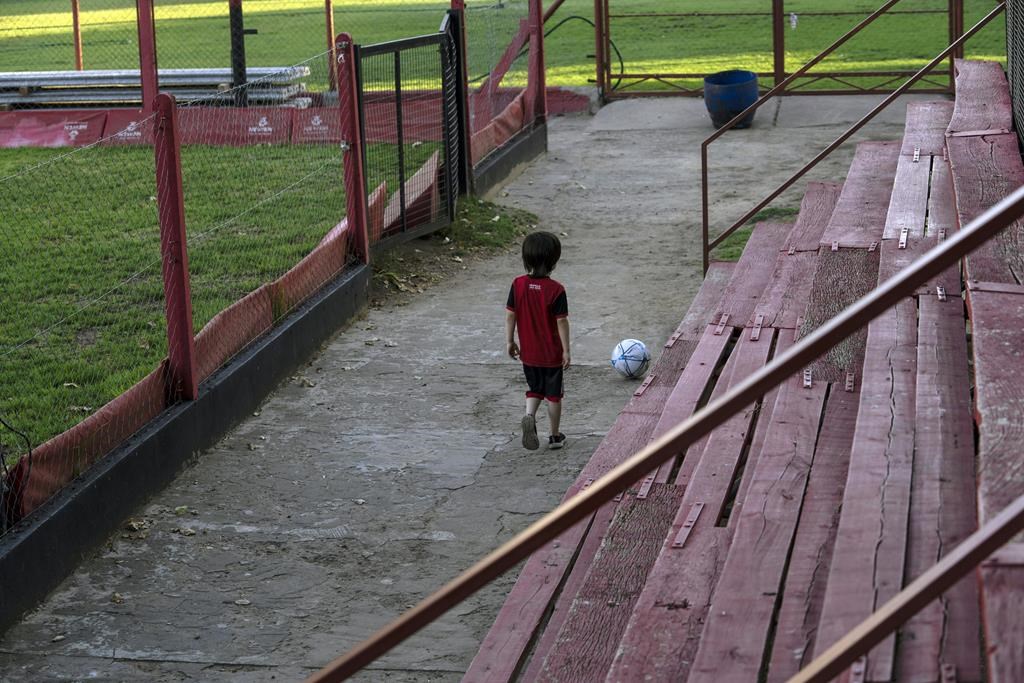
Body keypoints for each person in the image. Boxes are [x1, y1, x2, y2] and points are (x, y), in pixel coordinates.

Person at [505, 231, 571, 450]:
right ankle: (554, 436)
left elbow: (510, 314)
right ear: (554, 260)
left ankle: (529, 415)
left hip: (529, 354)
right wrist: (566, 351)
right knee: (553, 395)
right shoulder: (556, 290)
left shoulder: (517, 284)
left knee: (534, 389)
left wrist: (510, 341)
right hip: (550, 355)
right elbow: (561, 322)